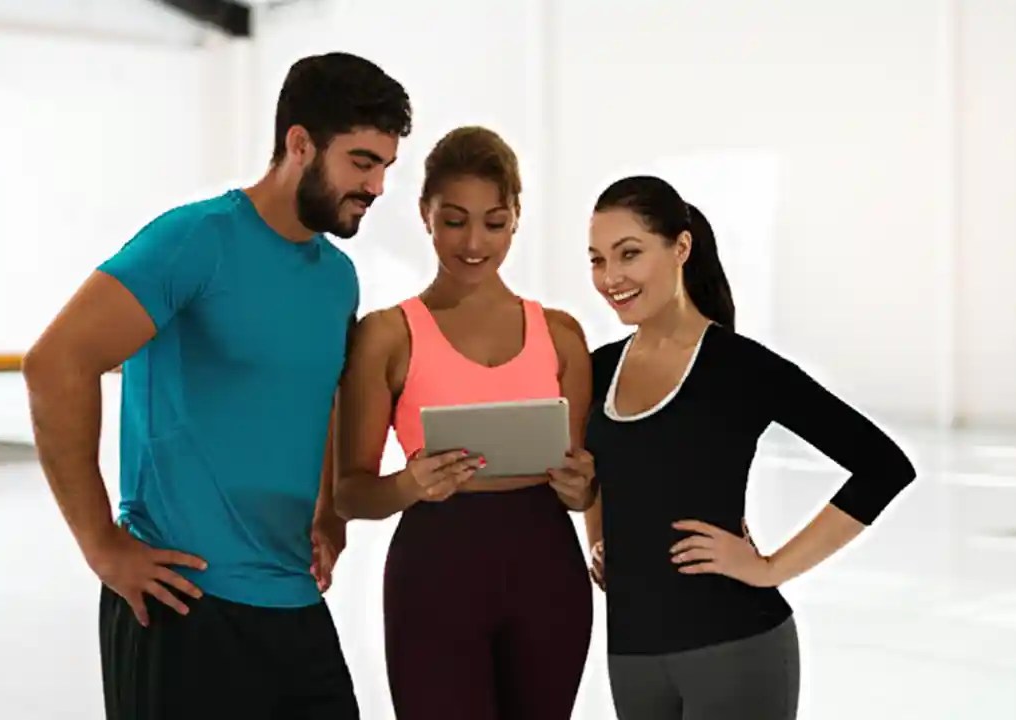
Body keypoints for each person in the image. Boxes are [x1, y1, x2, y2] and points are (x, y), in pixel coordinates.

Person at [22, 52, 412, 719]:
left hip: (291, 600)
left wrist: (327, 513)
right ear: (299, 144)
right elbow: (57, 363)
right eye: (362, 162)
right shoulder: (195, 240)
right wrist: (102, 546)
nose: (376, 186)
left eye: (385, 167)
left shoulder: (336, 279)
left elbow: (316, 399)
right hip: (182, 601)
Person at [582, 175, 917, 720]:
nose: (610, 277)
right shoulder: (597, 369)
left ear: (681, 248)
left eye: (630, 254)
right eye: (597, 260)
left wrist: (770, 568)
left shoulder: (740, 368)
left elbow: (883, 467)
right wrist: (599, 537)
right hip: (632, 653)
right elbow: (591, 467)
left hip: (734, 648)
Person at [334, 126, 597, 719]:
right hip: (436, 570)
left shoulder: (562, 336)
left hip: (546, 570)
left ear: (516, 218)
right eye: (454, 220)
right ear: (425, 214)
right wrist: (409, 485)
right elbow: (350, 492)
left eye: (494, 222)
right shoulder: (386, 335)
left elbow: (583, 482)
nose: (474, 241)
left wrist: (584, 489)